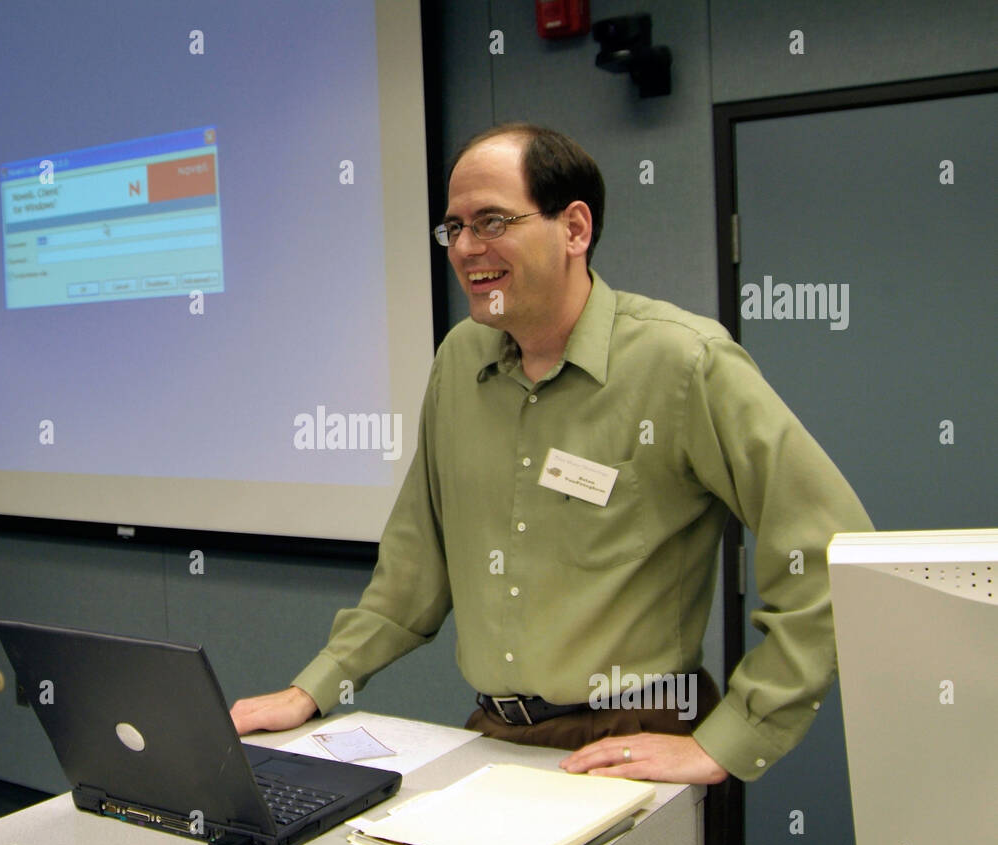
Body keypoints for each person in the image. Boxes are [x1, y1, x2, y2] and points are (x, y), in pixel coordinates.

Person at [230, 123, 873, 785]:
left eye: (492, 221)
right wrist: (315, 687)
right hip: (492, 735)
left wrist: (733, 738)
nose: (468, 249)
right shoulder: (458, 361)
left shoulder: (684, 363)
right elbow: (414, 569)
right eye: (454, 228)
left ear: (574, 229)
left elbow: (836, 552)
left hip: (635, 740)